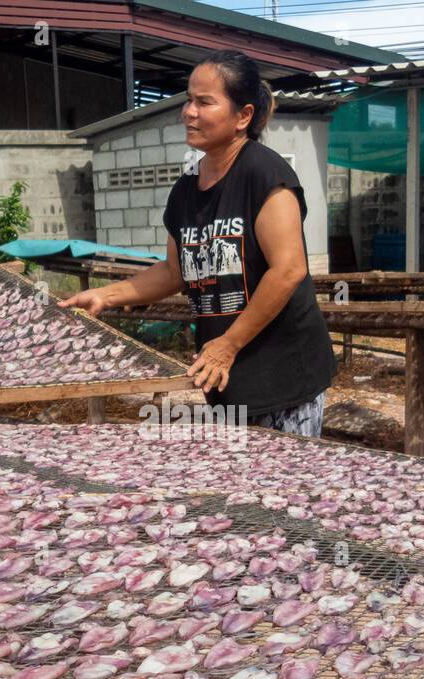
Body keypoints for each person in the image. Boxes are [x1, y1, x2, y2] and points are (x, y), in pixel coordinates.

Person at [58, 50, 337, 437]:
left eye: (205, 102)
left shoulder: (264, 172)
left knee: (284, 489)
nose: (189, 112)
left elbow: (288, 270)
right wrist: (107, 295)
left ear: (243, 116)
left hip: (283, 373)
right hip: (225, 377)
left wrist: (228, 344)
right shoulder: (186, 188)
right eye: (189, 99)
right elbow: (175, 271)